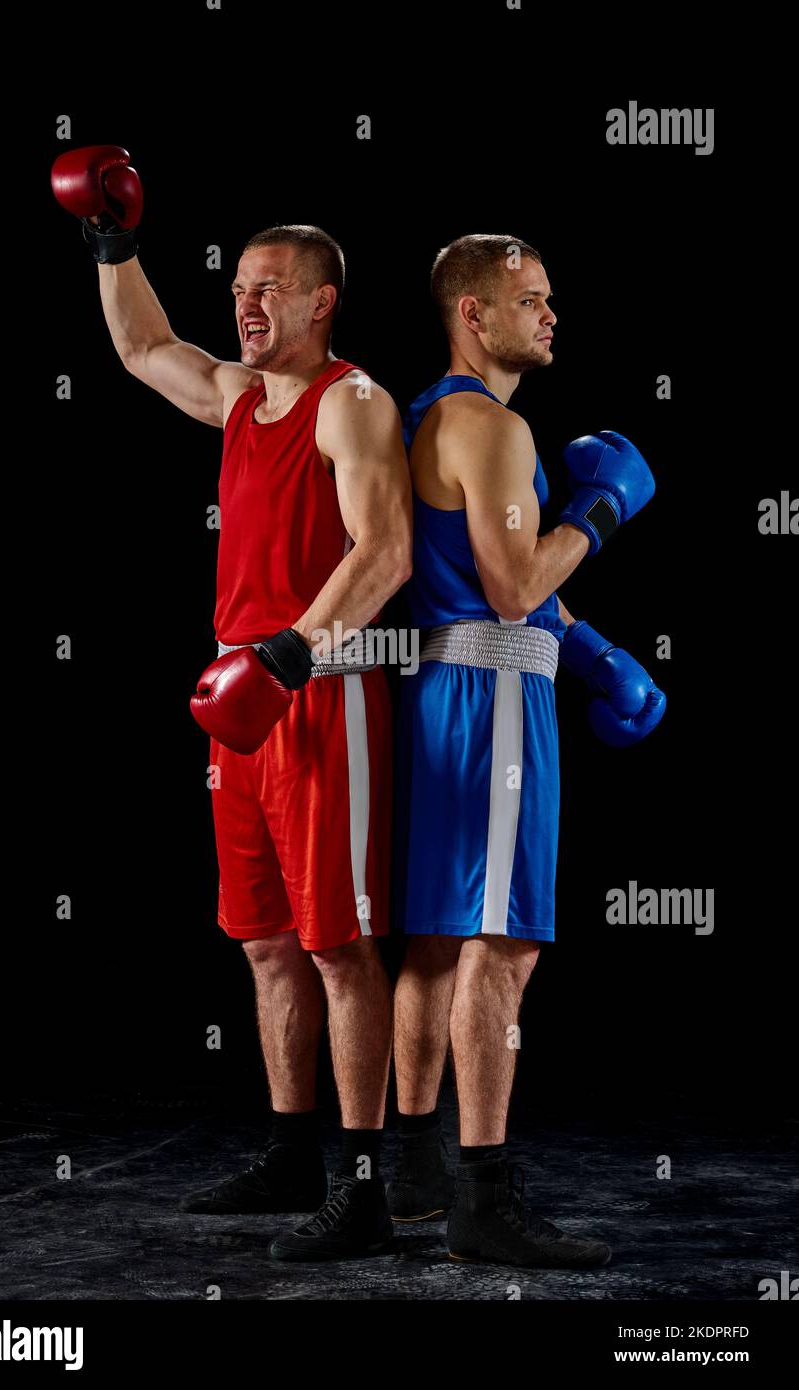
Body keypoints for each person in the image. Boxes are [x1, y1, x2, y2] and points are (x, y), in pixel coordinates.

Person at [51, 146, 413, 1262]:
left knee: (337, 943)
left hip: (323, 693)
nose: (246, 305)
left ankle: (363, 1187)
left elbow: (384, 551)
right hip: (241, 702)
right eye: (239, 288)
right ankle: (292, 1153)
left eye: (269, 289)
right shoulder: (239, 396)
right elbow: (141, 347)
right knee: (263, 941)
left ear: (322, 300)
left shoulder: (353, 403)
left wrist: (293, 653)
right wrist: (114, 241)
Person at [388, 233, 665, 1267]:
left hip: (443, 692)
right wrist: (603, 506)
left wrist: (596, 656)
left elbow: (492, 577)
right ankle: (484, 1199)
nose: (551, 315)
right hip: (497, 699)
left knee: (434, 940)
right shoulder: (493, 426)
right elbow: (514, 590)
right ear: (473, 313)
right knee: (503, 942)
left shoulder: (429, 415)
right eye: (531, 299)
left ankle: (415, 1171)